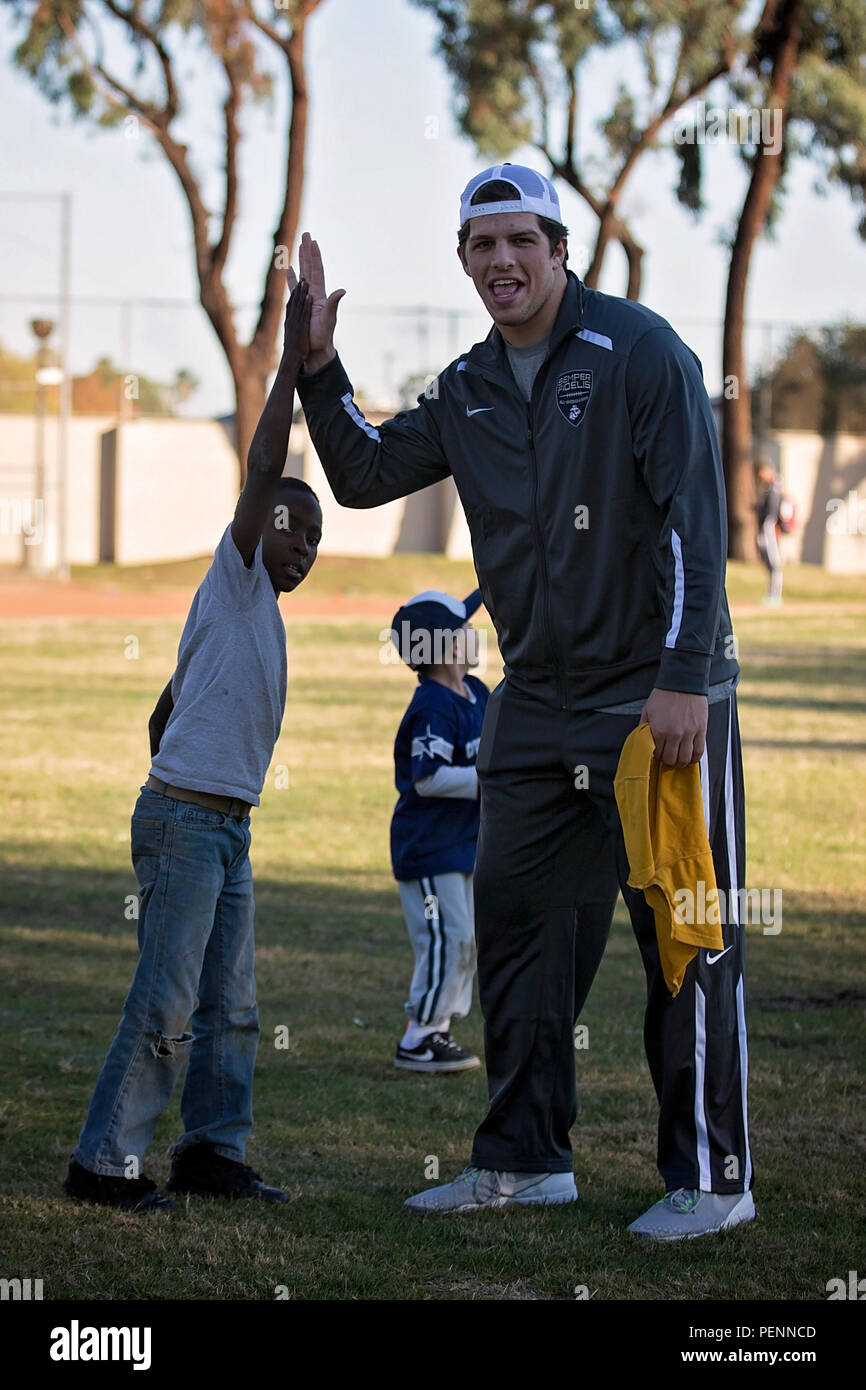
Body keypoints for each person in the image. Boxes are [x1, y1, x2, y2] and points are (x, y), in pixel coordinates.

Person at [291, 163, 754, 1241]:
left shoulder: (638, 353)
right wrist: (319, 367)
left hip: (653, 701)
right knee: (515, 937)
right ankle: (521, 1162)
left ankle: (713, 1177)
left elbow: (691, 516)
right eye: (480, 246)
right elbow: (359, 473)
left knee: (684, 936)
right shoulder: (467, 388)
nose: (501, 261)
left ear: (557, 246)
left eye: (520, 241)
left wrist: (682, 678)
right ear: (463, 261)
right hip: (534, 708)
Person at [63, 278, 320, 1213]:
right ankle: (102, 1165)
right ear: (262, 525)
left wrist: (185, 778)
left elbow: (166, 709)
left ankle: (211, 1152)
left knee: (232, 1010)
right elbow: (265, 469)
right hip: (186, 825)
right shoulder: (241, 568)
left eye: (318, 541)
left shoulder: (247, 619)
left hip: (223, 828)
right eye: (297, 528)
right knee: (167, 1006)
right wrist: (293, 359)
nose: (306, 547)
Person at [389, 588, 489, 1073]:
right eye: (467, 630)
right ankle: (419, 1035)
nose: (477, 636)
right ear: (448, 647)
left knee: (468, 939)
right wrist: (492, 782)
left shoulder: (479, 694)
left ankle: (439, 1029)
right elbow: (428, 778)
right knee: (448, 937)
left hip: (464, 846)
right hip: (429, 850)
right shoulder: (432, 706)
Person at [755, 457, 784, 605]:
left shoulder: (775, 487)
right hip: (765, 527)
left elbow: (773, 513)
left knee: (774, 562)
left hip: (770, 527)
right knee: (768, 562)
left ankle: (775, 595)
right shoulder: (768, 488)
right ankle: (771, 592)